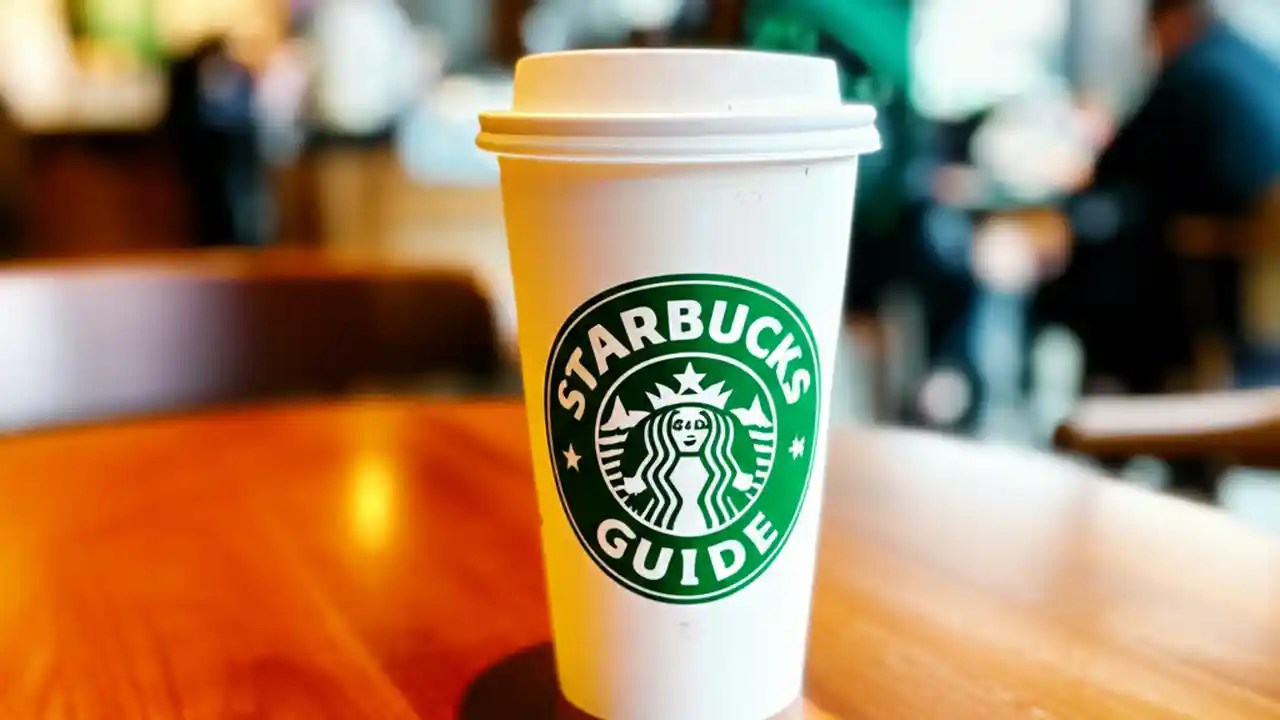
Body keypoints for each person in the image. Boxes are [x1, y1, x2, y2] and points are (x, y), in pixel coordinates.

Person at [1038, 0, 1280, 393]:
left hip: (1218, 280)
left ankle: (1115, 395)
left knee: (1102, 255)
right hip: (1259, 288)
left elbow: (1122, 165)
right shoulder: (1256, 59)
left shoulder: (1194, 71)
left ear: (1174, 20)